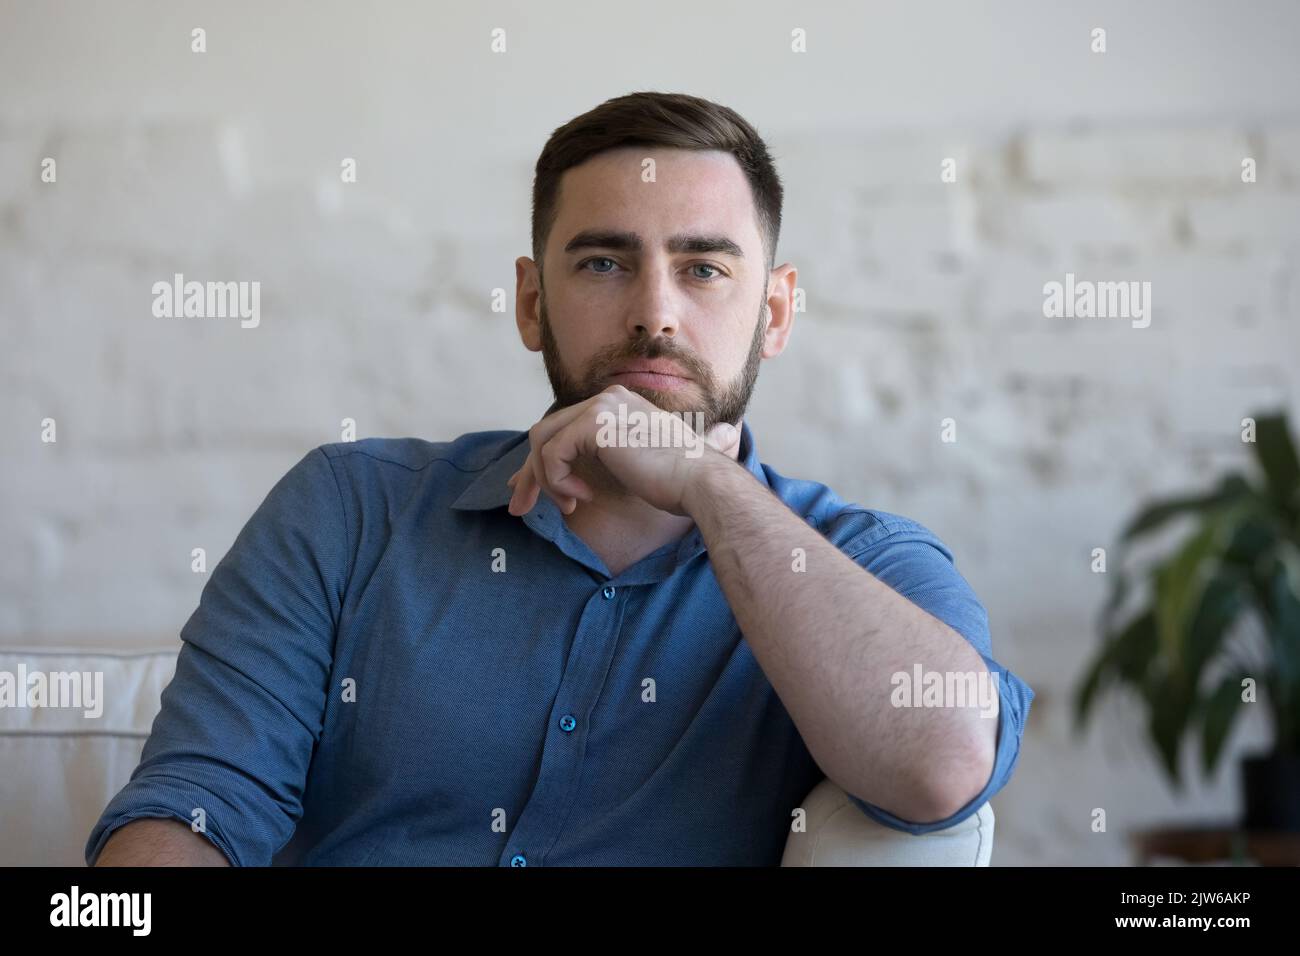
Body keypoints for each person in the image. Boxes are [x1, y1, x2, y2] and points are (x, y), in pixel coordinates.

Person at [88, 91, 1033, 867]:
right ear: (532, 304)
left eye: (704, 268)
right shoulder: (349, 511)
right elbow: (195, 809)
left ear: (775, 314)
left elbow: (944, 768)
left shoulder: (862, 564)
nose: (654, 315)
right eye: (604, 262)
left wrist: (704, 485)